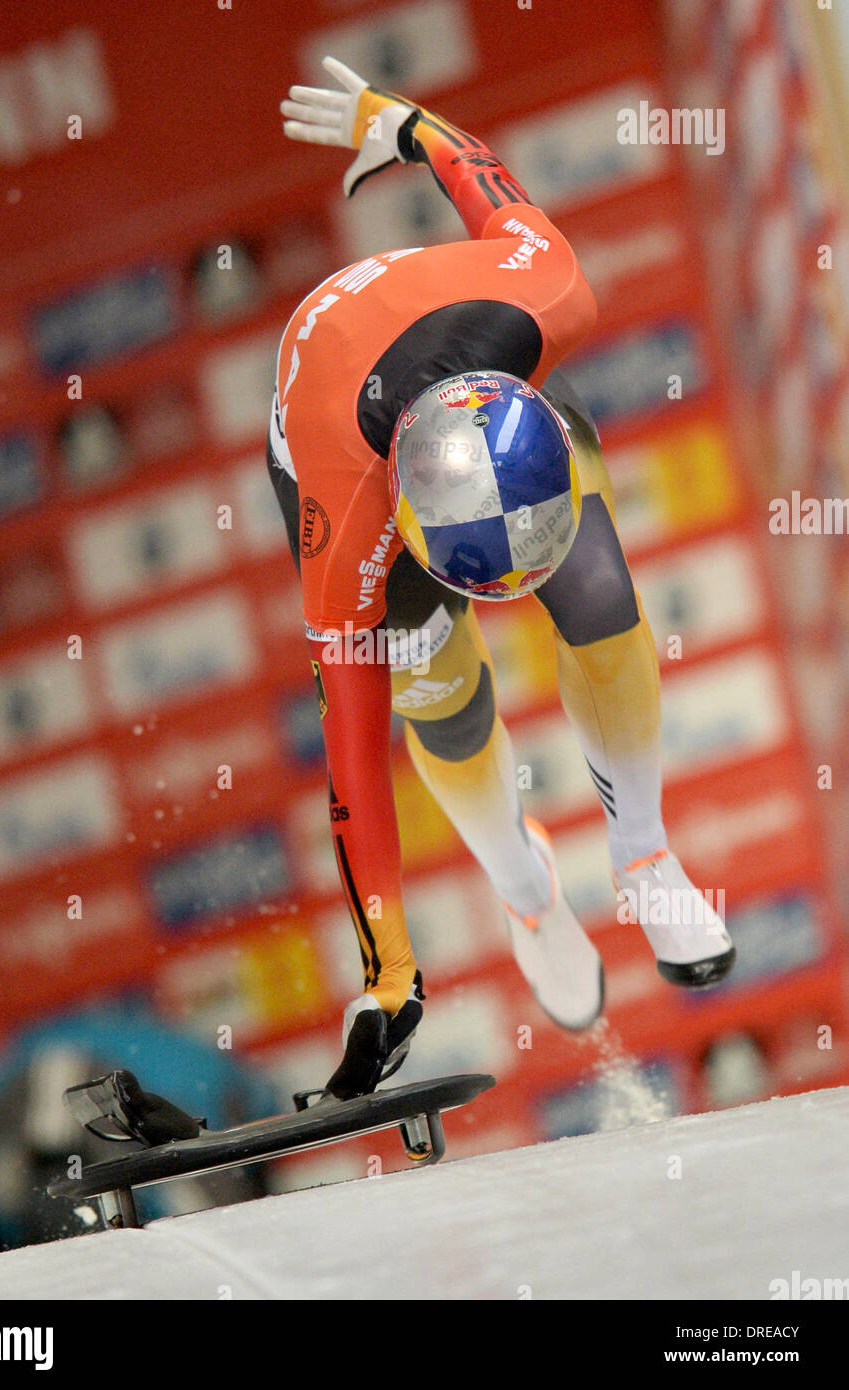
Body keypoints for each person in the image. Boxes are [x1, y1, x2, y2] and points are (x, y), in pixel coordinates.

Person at [269, 58, 734, 1100]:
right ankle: (521, 885)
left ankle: (642, 852)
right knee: (435, 686)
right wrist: (386, 971)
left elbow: (475, 174)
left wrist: (401, 121)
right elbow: (352, 765)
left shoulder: (546, 295)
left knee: (600, 598)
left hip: (458, 348)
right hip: (337, 427)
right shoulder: (343, 539)